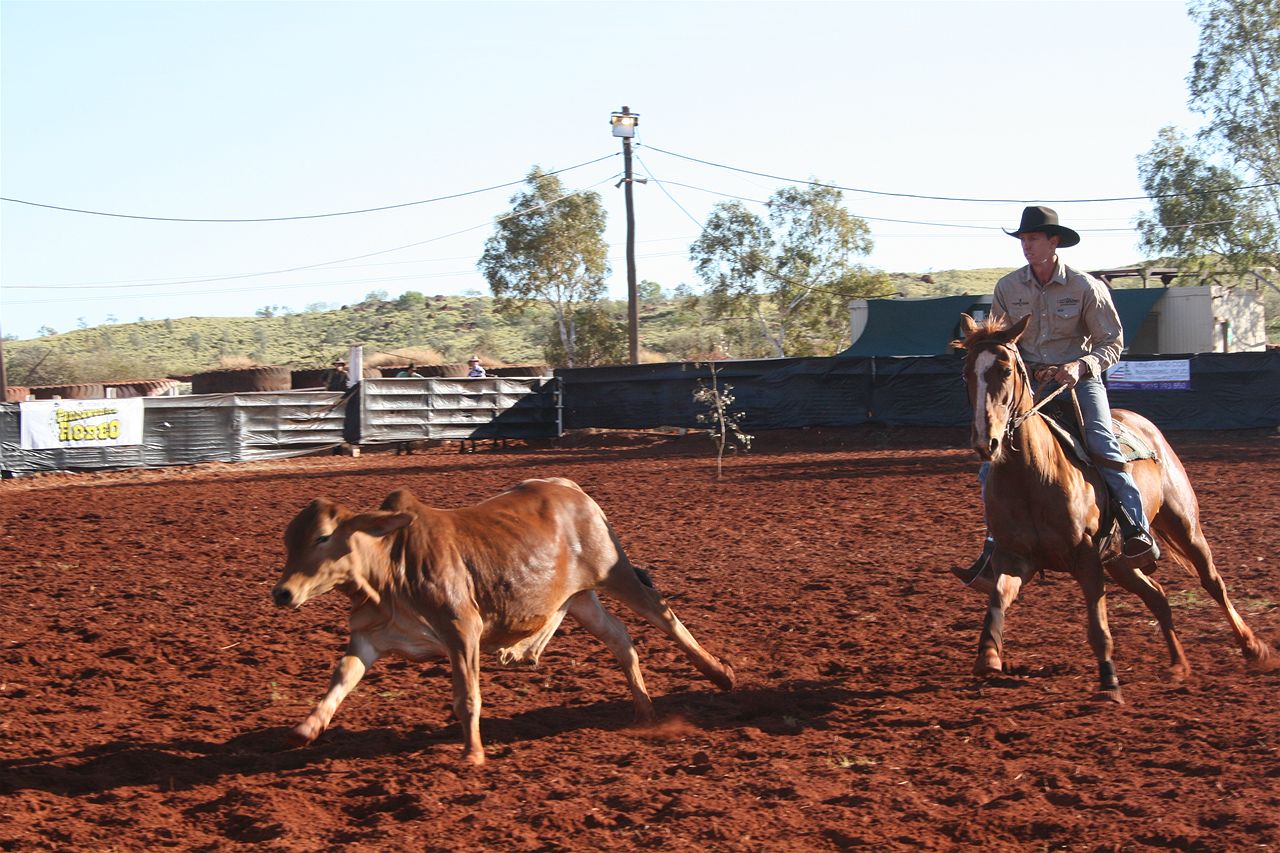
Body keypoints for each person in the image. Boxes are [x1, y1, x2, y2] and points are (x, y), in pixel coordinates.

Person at [952, 206, 1158, 593]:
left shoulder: (1085, 287)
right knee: (992, 465)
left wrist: (1080, 366)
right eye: (1023, 240)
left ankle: (1136, 530)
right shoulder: (1007, 288)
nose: (1026, 246)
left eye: (1033, 239)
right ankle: (994, 546)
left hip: (1079, 380)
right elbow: (1001, 341)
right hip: (1029, 384)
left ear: (1054, 242)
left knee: (1101, 444)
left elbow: (1111, 342)